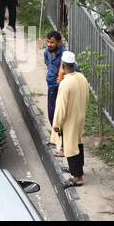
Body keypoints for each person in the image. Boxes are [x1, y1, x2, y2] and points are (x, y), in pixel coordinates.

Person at [52, 51, 89, 187]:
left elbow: (61, 107)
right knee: (78, 143)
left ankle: (77, 177)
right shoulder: (81, 77)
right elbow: (87, 97)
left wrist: (57, 123)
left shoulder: (65, 83)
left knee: (70, 146)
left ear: (62, 65)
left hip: (69, 119)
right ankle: (77, 169)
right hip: (80, 115)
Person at [44, 31, 64, 125]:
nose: (49, 44)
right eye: (48, 42)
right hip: (51, 88)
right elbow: (47, 63)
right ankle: (55, 136)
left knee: (60, 115)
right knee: (51, 114)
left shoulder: (65, 56)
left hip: (60, 89)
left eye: (52, 42)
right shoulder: (47, 52)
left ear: (59, 43)